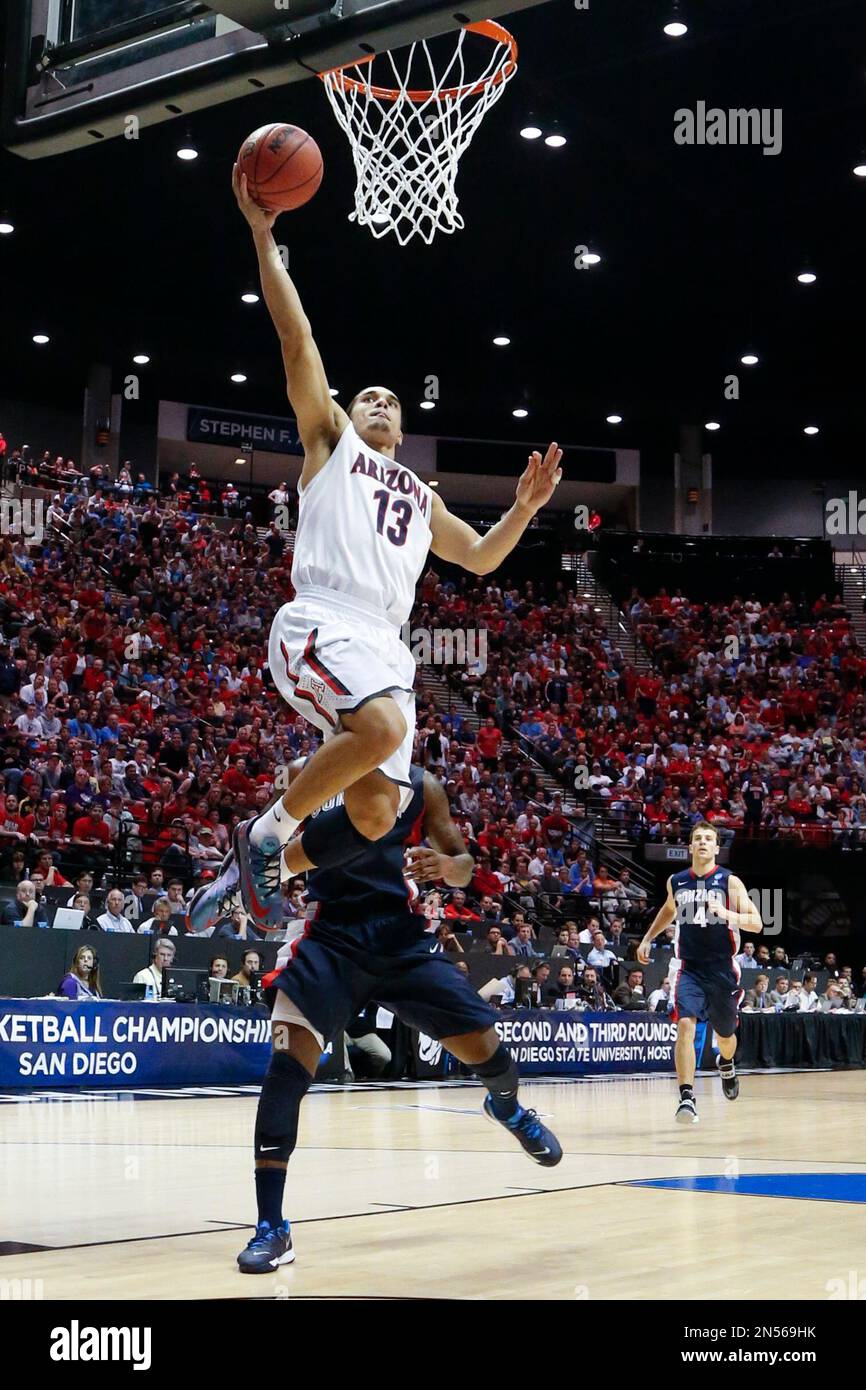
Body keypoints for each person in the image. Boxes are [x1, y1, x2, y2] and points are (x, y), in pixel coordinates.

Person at [189, 167, 563, 936]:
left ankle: (248, 874)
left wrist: (523, 510)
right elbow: (296, 336)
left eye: (393, 402)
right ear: (348, 415)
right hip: (323, 621)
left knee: (373, 815)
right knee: (386, 734)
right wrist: (264, 237)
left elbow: (484, 559)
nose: (382, 406)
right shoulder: (329, 444)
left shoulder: (422, 498)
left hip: (387, 650)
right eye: (370, 400)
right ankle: (265, 834)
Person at [237, 761, 562, 1274]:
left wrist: (448, 868)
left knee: (491, 1054)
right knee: (284, 1070)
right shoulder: (307, 772)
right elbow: (266, 851)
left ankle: (508, 1108)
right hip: (329, 936)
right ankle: (271, 1227)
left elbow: (463, 864)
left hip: (402, 938)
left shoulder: (422, 785)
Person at [638, 820, 763, 1125]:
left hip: (721, 969)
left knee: (725, 1035)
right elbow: (669, 909)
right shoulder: (677, 881)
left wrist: (726, 913)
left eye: (709, 838)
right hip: (688, 967)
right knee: (684, 1024)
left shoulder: (729, 882)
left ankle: (727, 1063)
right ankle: (686, 1096)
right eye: (698, 838)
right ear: (691, 847)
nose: (703, 842)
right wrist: (648, 937)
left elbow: (757, 922)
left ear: (717, 848)